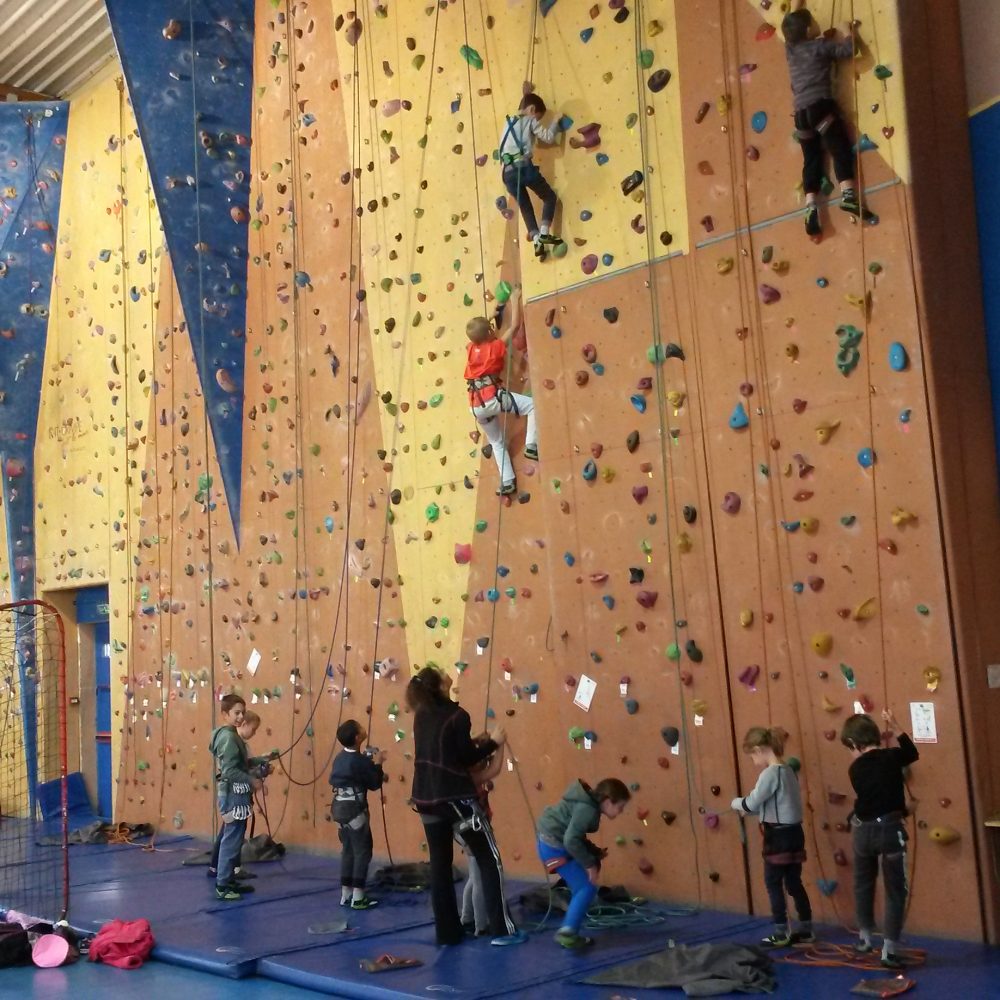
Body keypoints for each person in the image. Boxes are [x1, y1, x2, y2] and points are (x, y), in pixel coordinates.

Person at [407, 666, 521, 946]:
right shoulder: (458, 715)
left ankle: (447, 932)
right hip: (453, 798)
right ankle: (501, 931)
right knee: (488, 859)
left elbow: (448, 750)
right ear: (441, 685)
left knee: (440, 865)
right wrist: (494, 742)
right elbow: (467, 756)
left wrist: (481, 743)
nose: (448, 673)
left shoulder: (421, 714)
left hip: (425, 798)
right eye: (444, 673)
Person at [782, 1, 875, 239]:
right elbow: (848, 51)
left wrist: (796, 7)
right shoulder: (820, 46)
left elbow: (791, 21)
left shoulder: (790, 51)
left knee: (811, 160)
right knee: (839, 148)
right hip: (821, 107)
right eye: (812, 22)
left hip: (801, 116)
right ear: (807, 30)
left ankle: (811, 206)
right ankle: (849, 196)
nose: (816, 23)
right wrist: (847, 31)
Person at [841, 708, 919, 970]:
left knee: (863, 883)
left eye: (849, 748)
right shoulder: (891, 757)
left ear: (854, 744)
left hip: (863, 832)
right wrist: (894, 725)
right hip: (889, 830)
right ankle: (889, 949)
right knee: (895, 890)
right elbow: (912, 753)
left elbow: (872, 801)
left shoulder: (854, 769)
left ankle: (864, 939)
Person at [731, 727, 814, 948]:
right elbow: (776, 805)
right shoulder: (788, 771)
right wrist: (750, 811)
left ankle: (780, 931)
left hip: (778, 837)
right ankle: (806, 928)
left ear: (759, 750)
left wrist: (736, 803)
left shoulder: (769, 774)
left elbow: (753, 801)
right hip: (794, 834)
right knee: (794, 883)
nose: (752, 760)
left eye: (752, 756)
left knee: (773, 882)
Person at [536, 777, 631, 950]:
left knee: (583, 886)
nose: (621, 812)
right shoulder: (588, 810)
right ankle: (567, 932)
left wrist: (593, 851)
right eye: (620, 807)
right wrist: (590, 865)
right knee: (586, 887)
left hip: (550, 840)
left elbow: (575, 834)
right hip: (553, 845)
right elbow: (571, 839)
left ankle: (569, 929)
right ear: (609, 801)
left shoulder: (587, 805)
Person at [465, 284, 538, 497]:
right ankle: (531, 445)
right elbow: (514, 326)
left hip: (476, 406)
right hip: (491, 397)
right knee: (532, 406)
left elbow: (480, 332)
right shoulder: (495, 347)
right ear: (489, 333)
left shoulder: (471, 350)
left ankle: (507, 481)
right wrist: (514, 299)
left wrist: (498, 306)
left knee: (496, 442)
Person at [209, 695, 272, 901]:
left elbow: (240, 763)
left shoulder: (230, 735)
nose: (240, 717)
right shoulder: (228, 738)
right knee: (231, 839)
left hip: (236, 794)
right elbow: (230, 771)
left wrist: (262, 759)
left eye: (242, 712)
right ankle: (223, 883)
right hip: (232, 796)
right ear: (225, 714)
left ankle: (228, 879)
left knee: (235, 839)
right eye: (236, 713)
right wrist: (253, 781)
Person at [329, 719, 387, 910]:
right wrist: (378, 765)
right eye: (361, 729)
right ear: (357, 737)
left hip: (338, 808)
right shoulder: (360, 761)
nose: (364, 729)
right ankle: (358, 896)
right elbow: (374, 784)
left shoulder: (339, 758)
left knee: (347, 849)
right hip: (354, 809)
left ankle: (346, 894)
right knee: (362, 851)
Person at [499, 92, 563, 259]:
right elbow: (548, 138)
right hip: (524, 168)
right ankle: (543, 234)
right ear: (532, 109)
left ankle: (537, 243)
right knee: (549, 197)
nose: (538, 119)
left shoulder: (507, 123)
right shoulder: (530, 120)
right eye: (539, 117)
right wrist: (556, 120)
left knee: (525, 207)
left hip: (507, 174)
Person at [460, 738, 505, 935]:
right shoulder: (469, 777)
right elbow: (494, 770)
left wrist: (482, 741)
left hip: (466, 827)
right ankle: (481, 925)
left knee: (474, 875)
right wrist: (500, 744)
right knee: (480, 878)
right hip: (474, 828)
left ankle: (467, 918)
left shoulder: (461, 772)